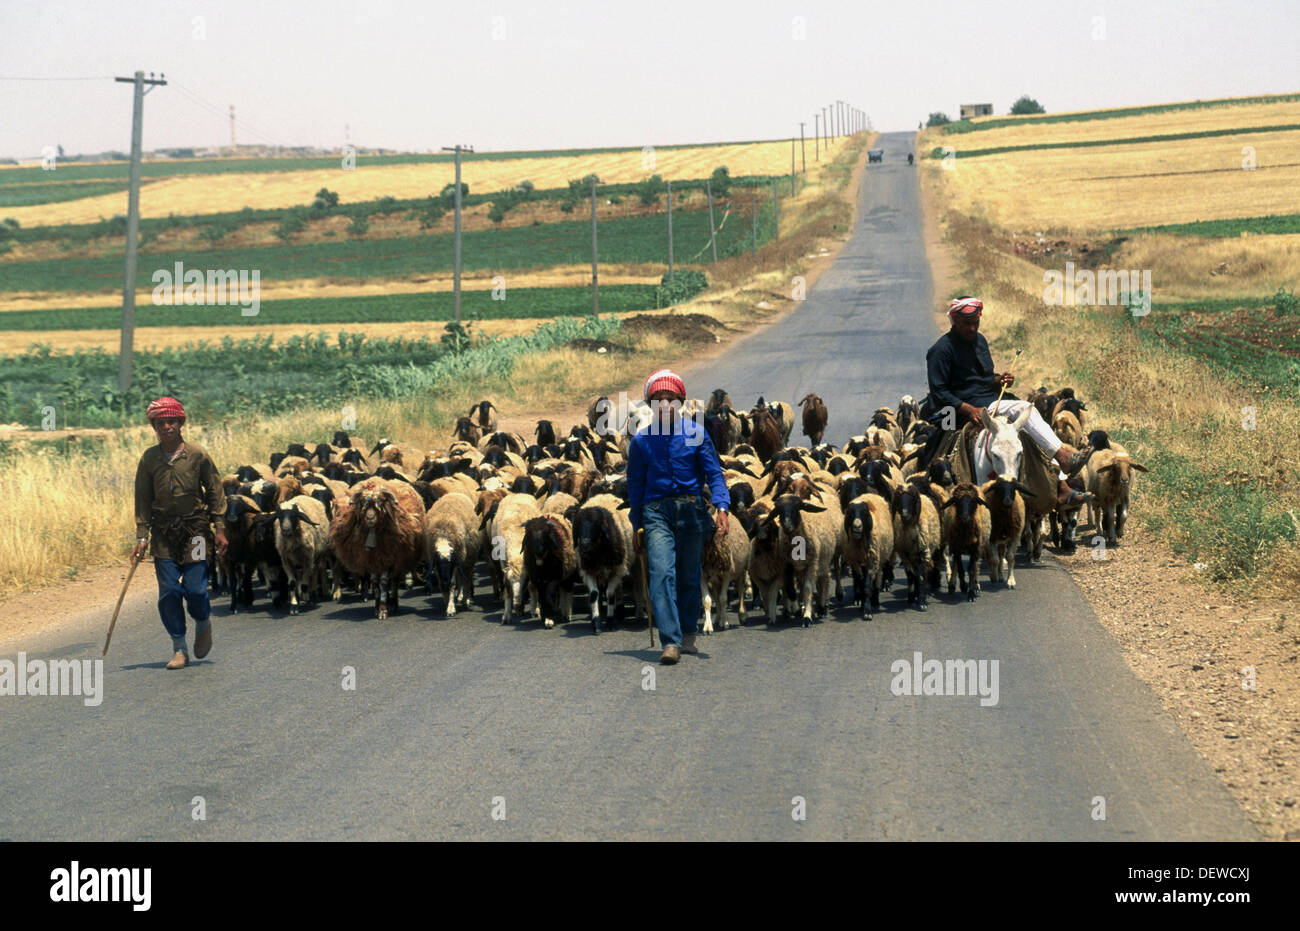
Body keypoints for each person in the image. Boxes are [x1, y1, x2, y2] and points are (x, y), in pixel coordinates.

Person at [925, 297, 1093, 506]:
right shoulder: (940, 350)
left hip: (991, 399)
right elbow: (939, 391)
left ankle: (1059, 484)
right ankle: (1063, 456)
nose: (971, 328)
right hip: (964, 407)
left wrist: (998, 380)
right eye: (965, 324)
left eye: (975, 323)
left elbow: (983, 379)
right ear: (954, 321)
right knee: (1024, 409)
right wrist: (968, 409)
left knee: (1029, 432)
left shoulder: (980, 341)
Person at [627, 369, 731, 665]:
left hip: (691, 510)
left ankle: (688, 632)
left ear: (681, 402)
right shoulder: (641, 441)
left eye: (670, 399)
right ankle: (670, 641)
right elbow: (635, 485)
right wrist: (637, 525)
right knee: (662, 574)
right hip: (656, 512)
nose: (665, 405)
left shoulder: (697, 435)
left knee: (688, 576)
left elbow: (714, 473)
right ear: (650, 405)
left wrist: (722, 505)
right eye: (658, 400)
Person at [130, 397, 228, 669]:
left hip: (195, 531)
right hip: (162, 535)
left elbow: (215, 491)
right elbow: (142, 498)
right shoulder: (149, 459)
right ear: (154, 426)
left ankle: (203, 622)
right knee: (170, 592)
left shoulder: (197, 455)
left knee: (196, 590)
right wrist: (141, 536)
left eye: (171, 421)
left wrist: (219, 527)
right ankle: (179, 648)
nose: (166, 427)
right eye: (160, 423)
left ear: (180, 423)